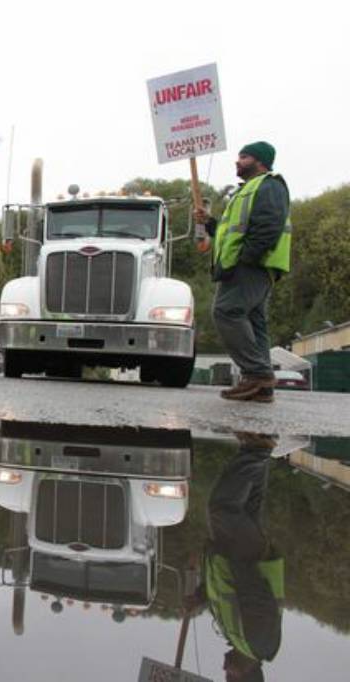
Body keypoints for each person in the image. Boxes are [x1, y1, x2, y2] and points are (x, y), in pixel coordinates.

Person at [195, 142, 291, 403]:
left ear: (260, 161)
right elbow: (233, 232)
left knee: (227, 312)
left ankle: (257, 374)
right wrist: (210, 223)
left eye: (244, 157)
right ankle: (261, 387)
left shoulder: (269, 185)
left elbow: (269, 226)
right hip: (251, 265)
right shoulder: (247, 190)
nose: (237, 161)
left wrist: (246, 259)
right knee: (255, 322)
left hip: (250, 266)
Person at [185, 433, 284, 682]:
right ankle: (258, 449)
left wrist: (199, 598)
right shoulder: (260, 641)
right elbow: (255, 592)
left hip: (238, 555)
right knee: (222, 507)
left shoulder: (240, 640)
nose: (224, 671)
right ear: (247, 675)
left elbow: (223, 594)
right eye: (230, 677)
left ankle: (260, 444)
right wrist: (228, 557)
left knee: (248, 505)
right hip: (244, 556)